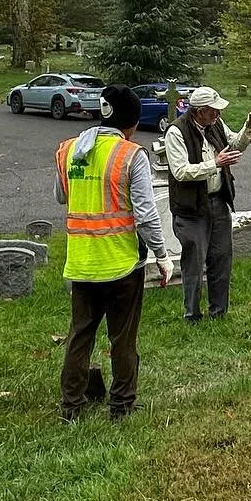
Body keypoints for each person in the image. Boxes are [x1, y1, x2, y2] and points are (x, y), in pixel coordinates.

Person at [55, 84, 173, 422]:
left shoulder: (68, 150)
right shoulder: (130, 155)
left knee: (80, 336)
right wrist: (162, 256)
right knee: (122, 339)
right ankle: (121, 406)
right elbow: (146, 215)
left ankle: (71, 406)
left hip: (81, 262)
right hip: (121, 264)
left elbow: (61, 197)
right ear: (131, 122)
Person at [163, 85, 251, 323]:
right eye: (214, 111)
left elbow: (234, 144)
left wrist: (248, 125)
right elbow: (180, 172)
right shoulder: (176, 132)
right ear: (199, 111)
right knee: (194, 262)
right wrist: (215, 163)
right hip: (191, 208)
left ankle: (219, 312)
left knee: (221, 257)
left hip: (218, 201)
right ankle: (192, 315)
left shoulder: (215, 124)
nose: (218, 114)